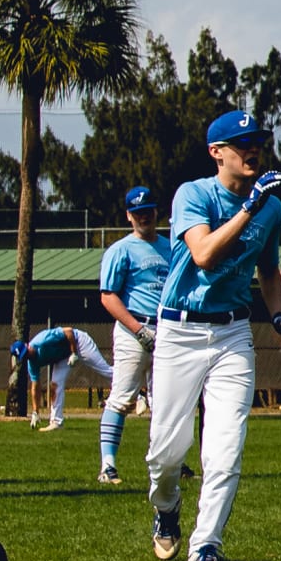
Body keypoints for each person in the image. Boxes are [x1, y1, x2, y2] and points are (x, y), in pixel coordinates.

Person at [145, 109, 281, 561]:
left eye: (258, 143)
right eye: (242, 144)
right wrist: (250, 206)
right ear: (216, 152)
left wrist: (279, 313)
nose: (253, 150)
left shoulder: (271, 208)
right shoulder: (194, 194)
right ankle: (166, 505)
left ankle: (205, 545)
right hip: (180, 330)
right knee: (166, 451)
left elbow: (267, 269)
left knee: (225, 448)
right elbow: (205, 255)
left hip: (232, 333)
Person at [97, 186, 172, 484]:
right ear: (129, 216)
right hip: (134, 328)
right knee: (122, 397)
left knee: (165, 401)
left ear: (156, 212)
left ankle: (166, 462)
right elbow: (108, 296)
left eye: (147, 211)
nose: (144, 217)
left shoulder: (170, 247)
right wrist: (138, 330)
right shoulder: (121, 249)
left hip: (167, 329)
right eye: (137, 213)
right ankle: (108, 465)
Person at [15, 325, 114, 431]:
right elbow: (35, 386)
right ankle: (56, 422)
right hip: (63, 356)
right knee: (55, 385)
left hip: (78, 342)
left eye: (27, 353)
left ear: (27, 345)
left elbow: (69, 331)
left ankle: (125, 380)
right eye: (25, 357)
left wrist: (74, 353)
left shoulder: (41, 340)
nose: (28, 356)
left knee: (105, 371)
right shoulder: (32, 363)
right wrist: (35, 412)